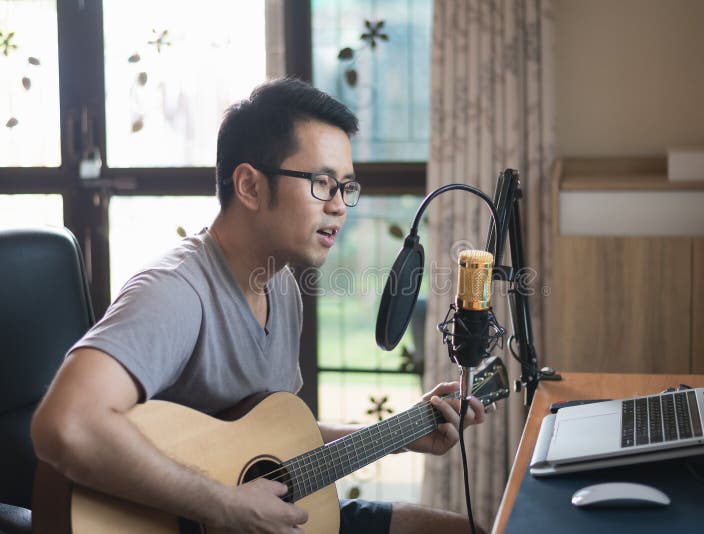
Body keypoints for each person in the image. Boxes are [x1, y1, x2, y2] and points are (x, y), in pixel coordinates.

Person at [32, 78, 486, 534]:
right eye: (322, 183)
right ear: (249, 185)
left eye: (346, 187)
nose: (339, 206)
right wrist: (223, 505)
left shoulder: (282, 286)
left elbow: (277, 443)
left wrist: (403, 435)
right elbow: (65, 424)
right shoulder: (174, 292)